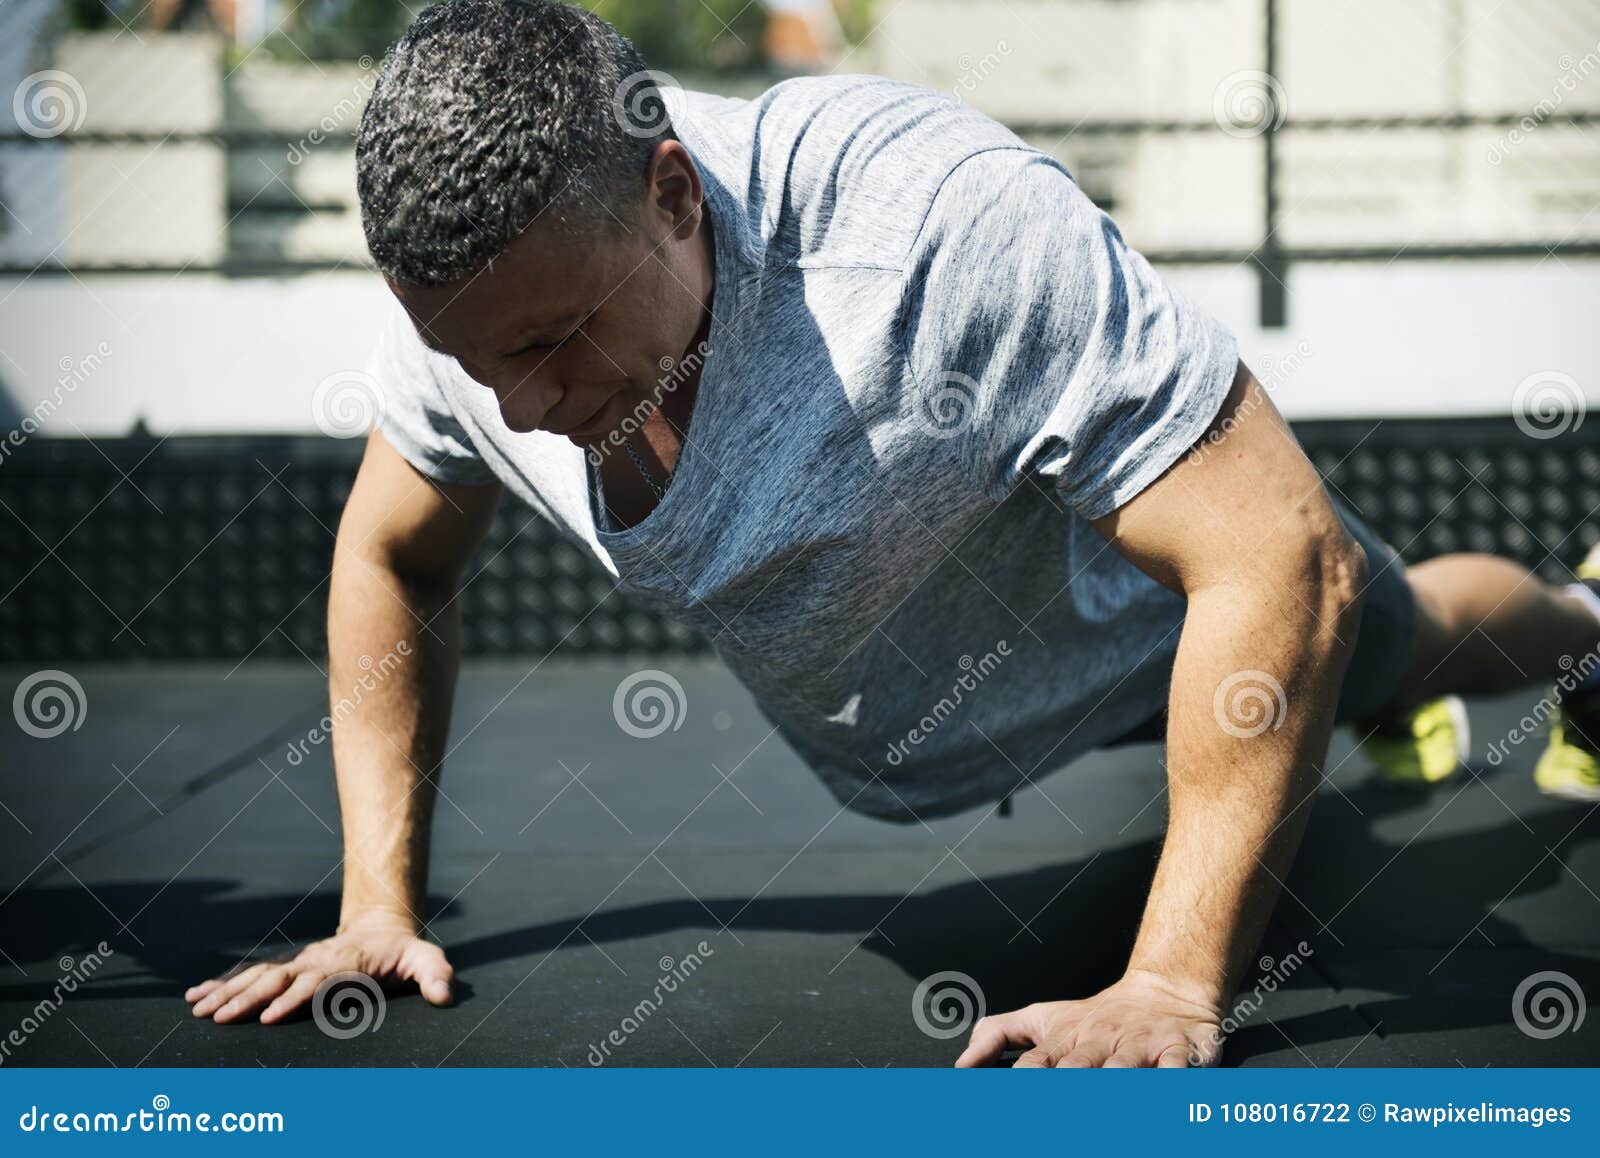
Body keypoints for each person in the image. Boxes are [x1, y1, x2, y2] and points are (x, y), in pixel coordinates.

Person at [184, 0, 1600, 1066]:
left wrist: (1170, 979)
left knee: (1393, 632)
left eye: (558, 343)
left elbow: (1281, 555)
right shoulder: (486, 311)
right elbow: (394, 552)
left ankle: (1585, 624)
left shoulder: (934, 231)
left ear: (674, 194)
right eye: (483, 361)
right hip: (941, 729)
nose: (524, 403)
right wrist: (377, 898)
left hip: (1162, 634)